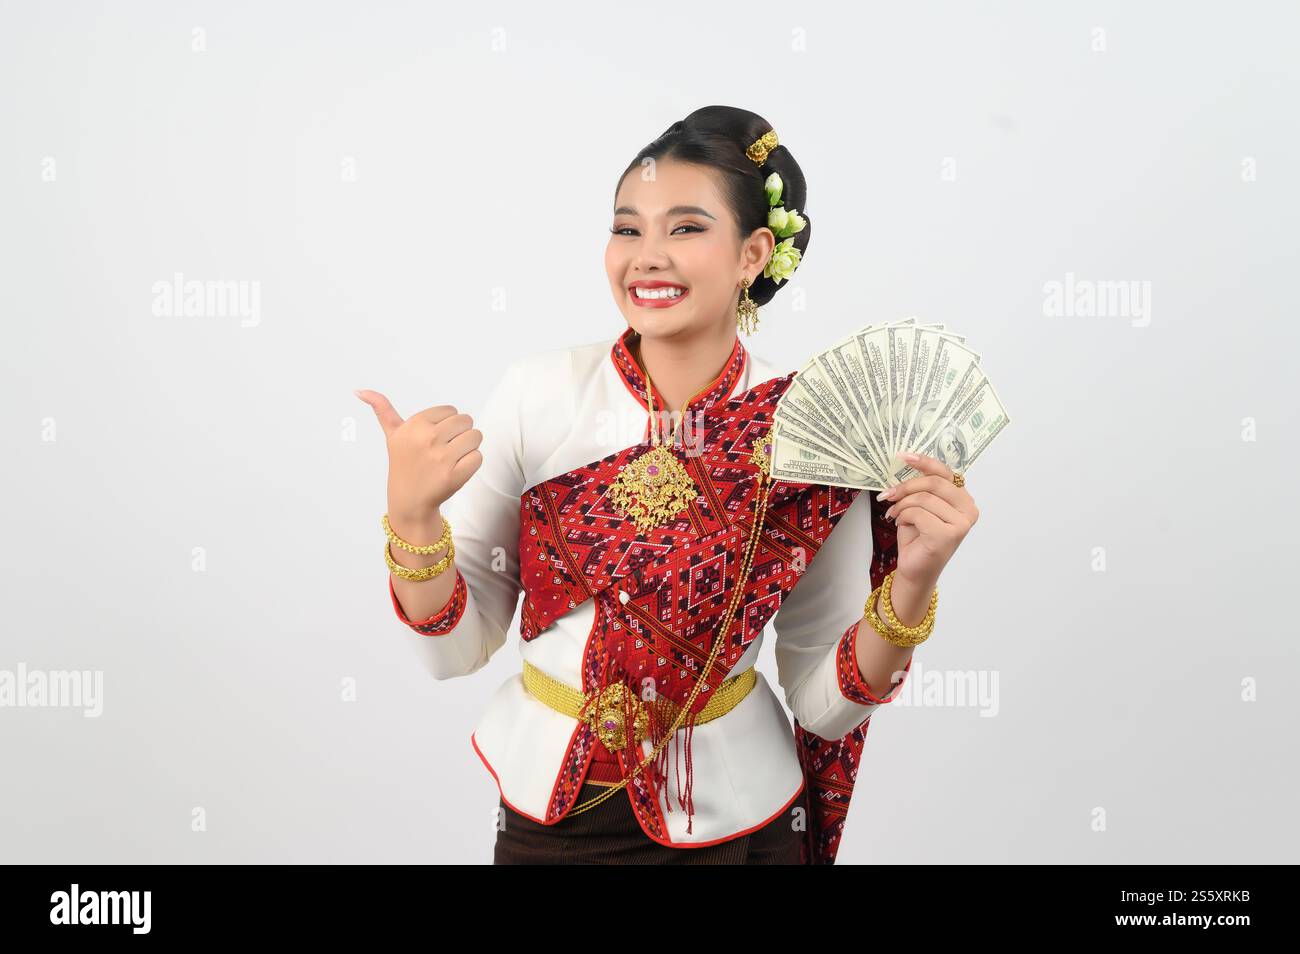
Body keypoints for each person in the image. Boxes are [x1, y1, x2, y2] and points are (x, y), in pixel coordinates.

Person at [355, 106, 980, 864]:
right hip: (549, 813)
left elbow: (824, 701)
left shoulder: (809, 436)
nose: (647, 256)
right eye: (627, 229)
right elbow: (454, 651)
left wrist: (914, 582)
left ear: (753, 254)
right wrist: (413, 519)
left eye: (685, 228)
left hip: (738, 817)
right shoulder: (538, 394)